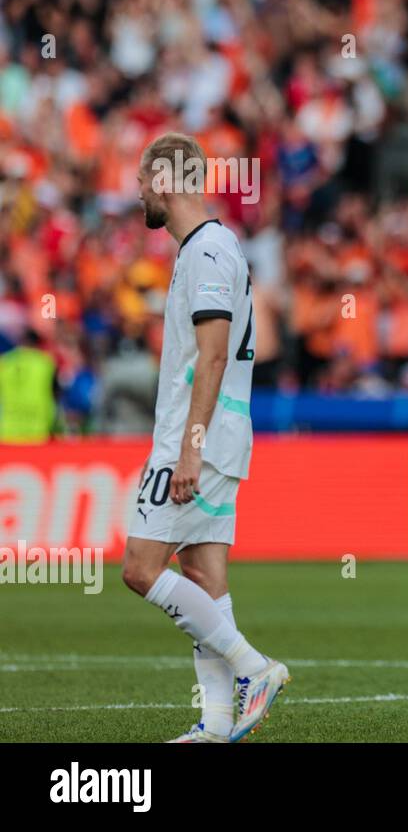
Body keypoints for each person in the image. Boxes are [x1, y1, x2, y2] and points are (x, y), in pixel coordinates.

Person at [119, 133, 289, 743]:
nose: (139, 192)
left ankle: (254, 668)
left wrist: (189, 446)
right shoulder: (212, 247)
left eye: (142, 181)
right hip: (219, 433)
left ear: (164, 180)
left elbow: (213, 355)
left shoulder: (208, 251)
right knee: (202, 575)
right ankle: (216, 725)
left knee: (140, 569)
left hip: (199, 437)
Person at [0, 328, 58, 444]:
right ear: (37, 344)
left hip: (8, 427)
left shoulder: (5, 362)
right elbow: (55, 393)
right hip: (38, 428)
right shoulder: (46, 362)